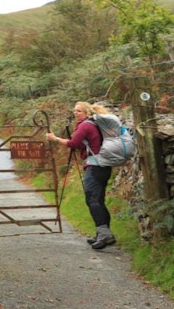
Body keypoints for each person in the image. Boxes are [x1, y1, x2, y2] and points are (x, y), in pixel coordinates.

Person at [45, 101, 116, 249]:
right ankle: (102, 234)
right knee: (98, 200)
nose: (75, 113)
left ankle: (105, 235)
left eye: (79, 111)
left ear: (87, 113)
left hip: (95, 166)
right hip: (103, 166)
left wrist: (55, 138)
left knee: (92, 200)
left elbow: (73, 143)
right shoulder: (94, 124)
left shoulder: (85, 125)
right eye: (74, 111)